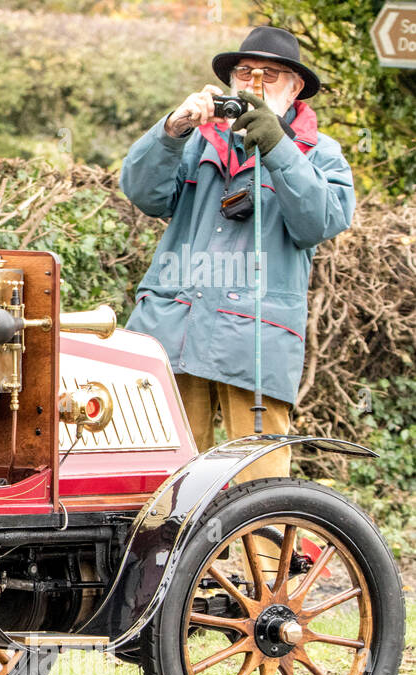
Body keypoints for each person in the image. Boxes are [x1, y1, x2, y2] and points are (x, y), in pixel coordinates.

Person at [120, 26, 354, 482]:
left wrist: (278, 147)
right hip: (173, 332)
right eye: (245, 72)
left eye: (270, 74)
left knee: (260, 491)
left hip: (255, 346)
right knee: (164, 481)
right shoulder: (199, 139)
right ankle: (166, 557)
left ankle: (264, 559)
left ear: (296, 86)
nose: (254, 82)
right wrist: (172, 128)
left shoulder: (320, 154)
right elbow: (143, 192)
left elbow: (320, 222)